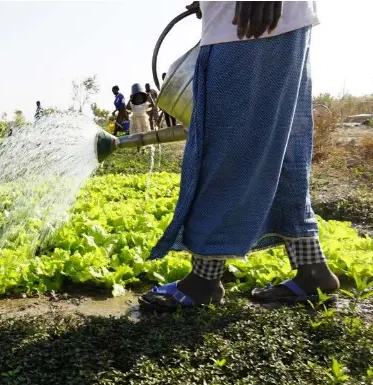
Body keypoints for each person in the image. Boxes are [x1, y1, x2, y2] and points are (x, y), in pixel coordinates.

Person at [139, 1, 340, 312]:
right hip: (267, 22)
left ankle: (204, 280)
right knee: (281, 154)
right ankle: (312, 269)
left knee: (225, 153)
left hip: (246, 24)